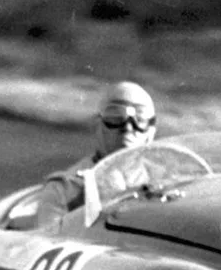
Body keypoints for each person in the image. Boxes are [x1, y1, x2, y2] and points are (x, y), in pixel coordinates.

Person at [37, 81, 157, 226]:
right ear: (97, 126)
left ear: (151, 133)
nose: (128, 127)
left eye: (140, 117)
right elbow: (51, 241)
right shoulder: (64, 190)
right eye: (115, 116)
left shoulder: (166, 181)